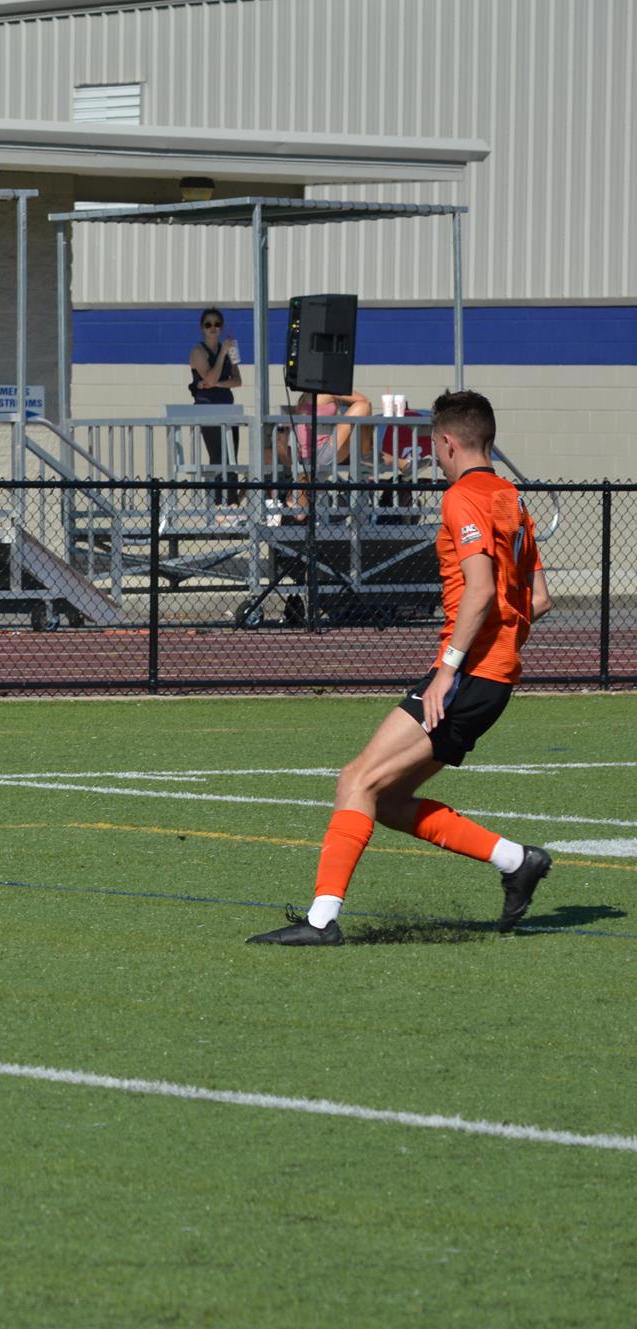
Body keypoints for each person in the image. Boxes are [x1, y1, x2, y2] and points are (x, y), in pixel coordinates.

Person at [248, 390, 553, 945]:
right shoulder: (512, 498)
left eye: (435, 445)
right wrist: (500, 648)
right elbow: (538, 599)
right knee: (384, 799)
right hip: (489, 678)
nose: (435, 455)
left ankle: (322, 922)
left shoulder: (463, 497)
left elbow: (482, 591)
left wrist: (449, 669)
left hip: (467, 677)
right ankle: (515, 860)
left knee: (355, 780)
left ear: (447, 442)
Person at [187, 307, 242, 504]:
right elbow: (209, 376)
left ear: (222, 327)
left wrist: (216, 384)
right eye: (208, 324)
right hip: (207, 408)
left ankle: (232, 502)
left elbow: (237, 380)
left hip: (227, 407)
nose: (213, 328)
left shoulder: (230, 348)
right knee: (218, 456)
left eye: (217, 324)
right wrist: (221, 356)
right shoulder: (197, 351)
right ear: (202, 327)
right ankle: (218, 503)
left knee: (231, 457)